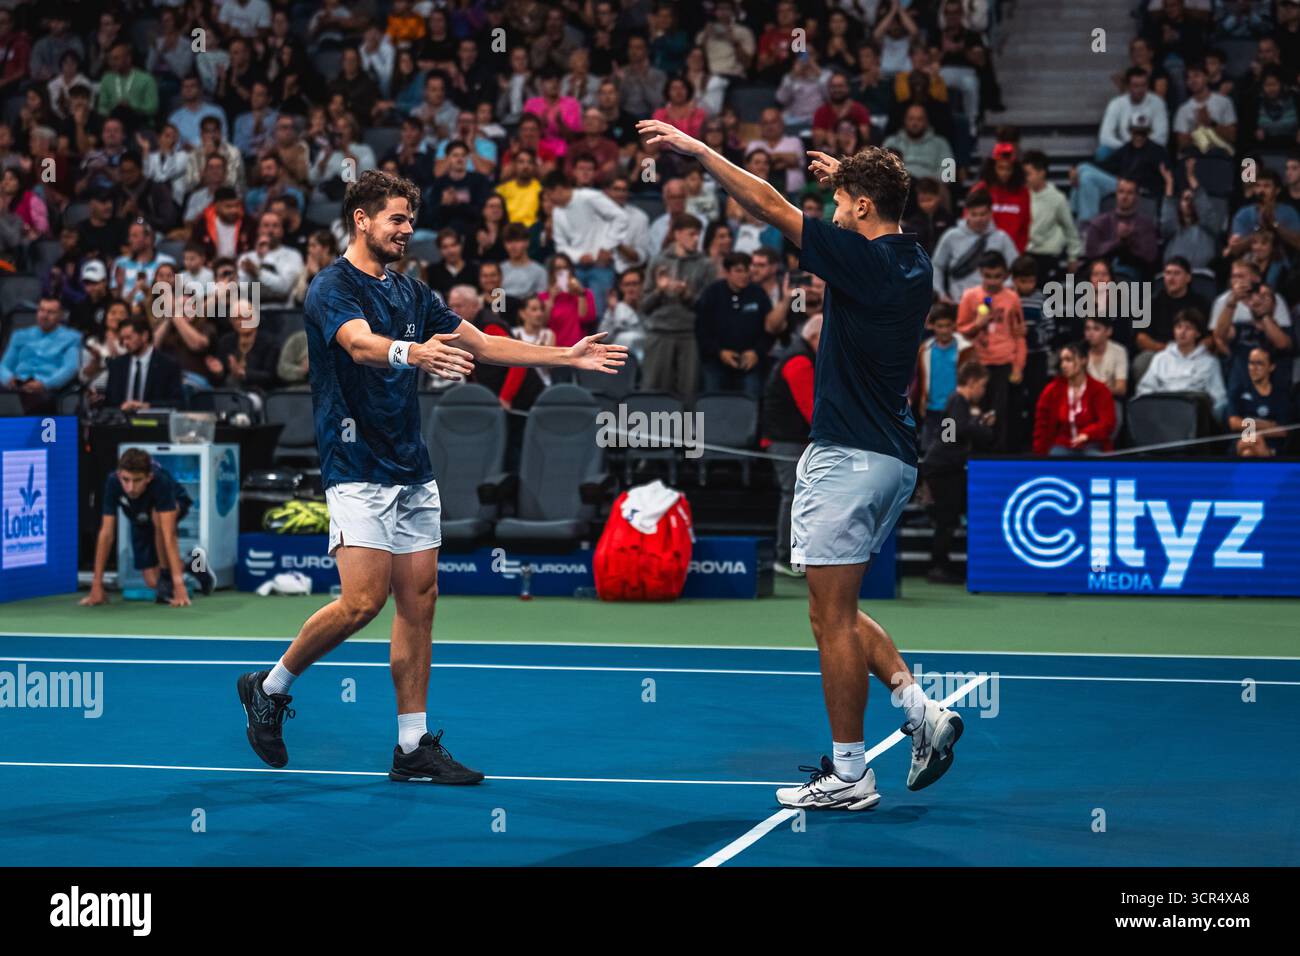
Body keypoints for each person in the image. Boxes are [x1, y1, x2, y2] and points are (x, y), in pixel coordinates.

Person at [235, 170, 627, 779]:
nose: (407, 229)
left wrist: (565, 354)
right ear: (361, 219)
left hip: (411, 467)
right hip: (356, 465)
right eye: (396, 218)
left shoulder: (412, 291)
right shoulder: (330, 288)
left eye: (411, 220)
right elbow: (361, 345)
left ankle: (413, 746)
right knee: (362, 602)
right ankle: (271, 686)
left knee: (419, 603)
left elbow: (482, 341)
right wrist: (414, 352)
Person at [638, 119, 963, 811]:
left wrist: (699, 152)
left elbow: (767, 205)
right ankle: (918, 711)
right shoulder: (912, 258)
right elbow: (869, 200)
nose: (835, 212)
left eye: (844, 204)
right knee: (836, 611)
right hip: (892, 461)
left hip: (846, 457)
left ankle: (850, 774)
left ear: (864, 210)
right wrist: (852, 173)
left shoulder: (861, 259)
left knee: (829, 620)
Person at [81, 448, 215, 609]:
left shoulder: (160, 481)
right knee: (152, 581)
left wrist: (179, 585)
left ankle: (167, 574)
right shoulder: (113, 482)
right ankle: (194, 565)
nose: (130, 487)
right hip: (140, 517)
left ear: (149, 477)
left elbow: (168, 534)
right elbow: (107, 533)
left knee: (157, 517)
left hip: (174, 504)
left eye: (137, 480)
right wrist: (96, 585)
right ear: (119, 475)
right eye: (126, 480)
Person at [922, 361, 994, 583]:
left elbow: (950, 434)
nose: (983, 392)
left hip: (942, 467)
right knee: (947, 519)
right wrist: (981, 426)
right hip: (943, 470)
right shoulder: (959, 401)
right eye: (982, 386)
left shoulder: (954, 401)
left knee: (948, 518)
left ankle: (941, 564)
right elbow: (956, 432)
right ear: (972, 383)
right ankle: (938, 566)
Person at [763, 314, 821, 576]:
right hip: (786, 440)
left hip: (793, 439)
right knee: (794, 495)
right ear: (814, 338)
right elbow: (811, 409)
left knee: (800, 496)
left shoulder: (804, 356)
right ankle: (786, 556)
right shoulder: (799, 361)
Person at [1032, 341, 1117, 456]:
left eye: (1069, 360)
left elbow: (1107, 422)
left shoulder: (1100, 390)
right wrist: (1039, 456)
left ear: (1083, 360)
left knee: (1094, 458)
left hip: (1092, 443)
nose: (1063, 365)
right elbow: (1041, 425)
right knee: (1056, 456)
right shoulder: (1052, 390)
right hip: (1063, 444)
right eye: (1062, 360)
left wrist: (1087, 434)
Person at [0, 296, 81, 414]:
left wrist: (45, 384)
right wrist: (9, 379)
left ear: (61, 315)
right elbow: (3, 366)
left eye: (50, 312)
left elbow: (71, 367)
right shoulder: (20, 335)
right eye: (41, 310)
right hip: (19, 389)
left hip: (50, 391)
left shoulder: (71, 338)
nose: (44, 315)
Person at [103, 316, 185, 410]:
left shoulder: (167, 365)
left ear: (144, 336)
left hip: (153, 421)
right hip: (122, 421)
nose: (125, 343)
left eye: (129, 338)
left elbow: (177, 403)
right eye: (122, 339)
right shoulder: (117, 365)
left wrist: (147, 406)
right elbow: (110, 402)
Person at [1228, 347, 1292, 456]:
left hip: (1272, 446)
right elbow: (1234, 423)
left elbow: (1283, 431)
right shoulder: (1239, 391)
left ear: (1271, 367)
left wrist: (1249, 427)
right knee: (1251, 444)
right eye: (1251, 363)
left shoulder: (1281, 395)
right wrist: (1267, 425)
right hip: (1242, 441)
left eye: (1259, 364)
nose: (1253, 368)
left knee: (1249, 452)